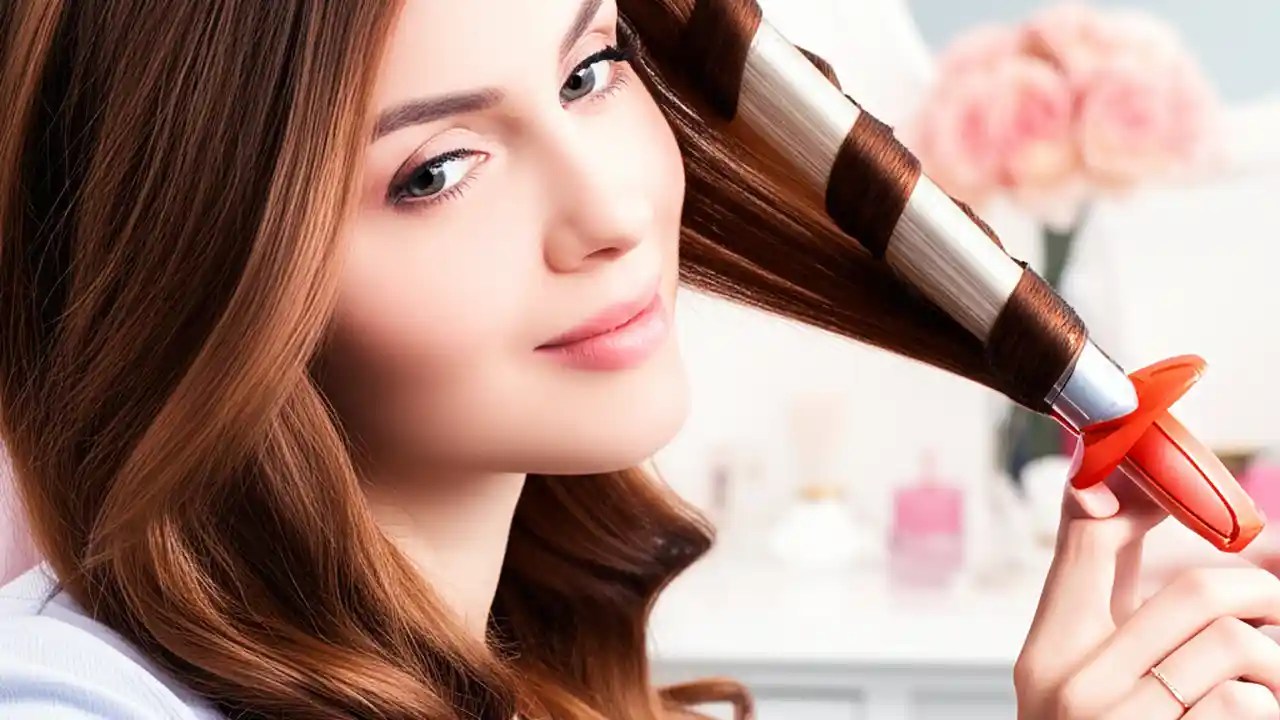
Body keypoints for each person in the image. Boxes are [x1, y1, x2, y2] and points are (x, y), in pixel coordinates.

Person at [1, 1, 1278, 718]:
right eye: (434, 171)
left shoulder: (526, 663)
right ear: (201, 271)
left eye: (588, 71)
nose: (608, 210)